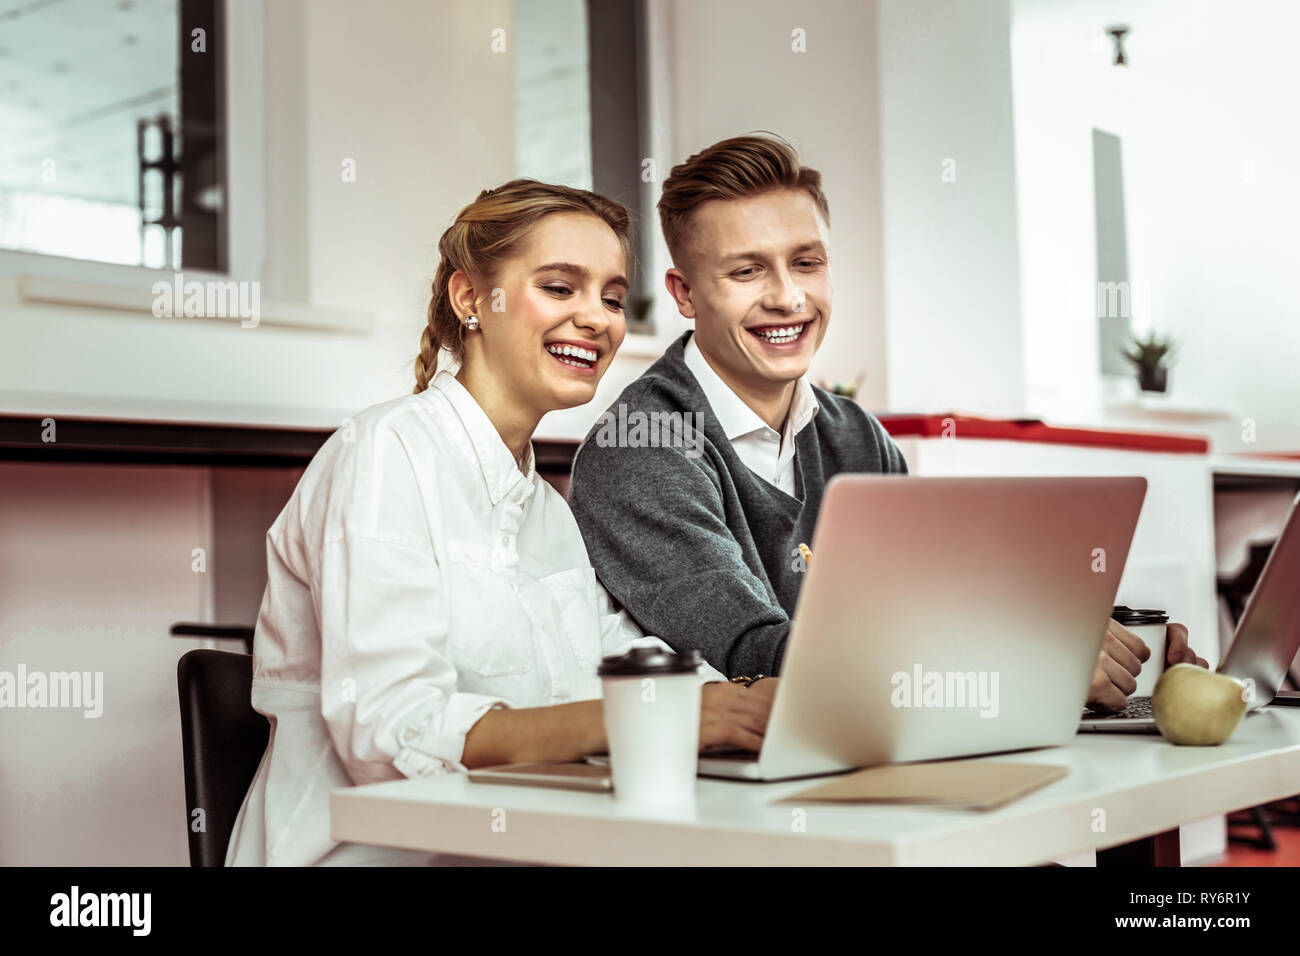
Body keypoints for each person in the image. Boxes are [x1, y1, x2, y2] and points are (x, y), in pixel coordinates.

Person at [225, 179, 776, 867]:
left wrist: (756, 702)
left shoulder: (543, 506)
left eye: (611, 297)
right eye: (559, 287)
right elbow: (392, 729)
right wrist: (660, 720)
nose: (598, 318)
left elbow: (614, 659)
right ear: (469, 299)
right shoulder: (386, 454)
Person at [567, 133, 1206, 713]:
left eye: (808, 262)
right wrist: (1030, 663)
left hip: (889, 763)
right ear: (683, 294)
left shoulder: (857, 435)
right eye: (746, 270)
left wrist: (1092, 633)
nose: (788, 297)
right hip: (748, 807)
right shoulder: (641, 448)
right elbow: (757, 659)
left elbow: (926, 617)